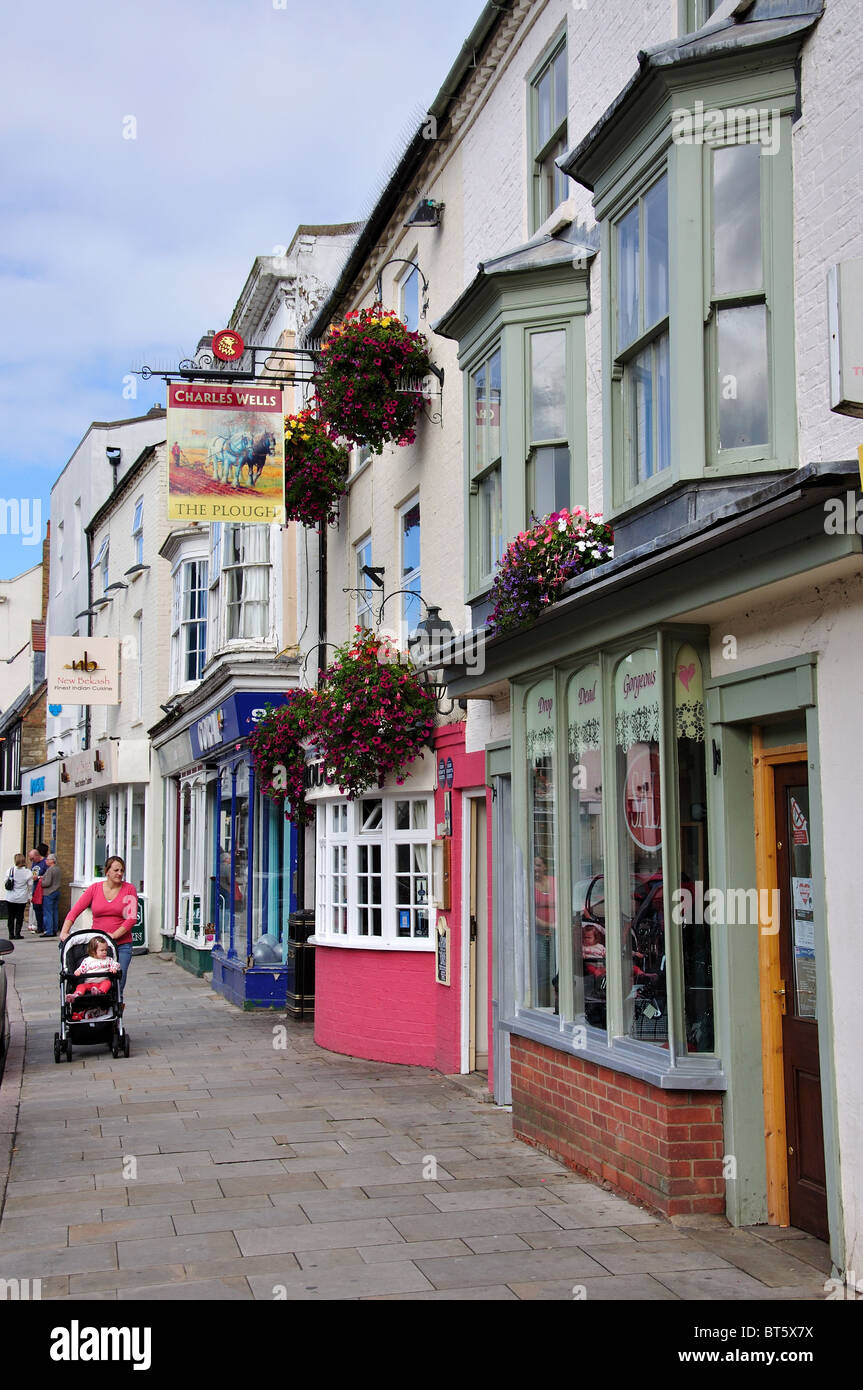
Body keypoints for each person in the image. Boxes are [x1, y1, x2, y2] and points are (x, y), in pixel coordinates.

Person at [59, 856, 138, 1000]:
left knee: (118, 979)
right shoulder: (94, 889)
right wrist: (64, 932)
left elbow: (131, 919)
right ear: (107, 871)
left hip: (121, 944)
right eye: (115, 870)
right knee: (94, 977)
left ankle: (115, 1013)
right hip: (98, 945)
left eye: (122, 870)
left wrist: (113, 935)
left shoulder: (129, 889)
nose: (119, 873)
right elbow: (75, 911)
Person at [66, 937, 121, 1004]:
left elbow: (116, 964)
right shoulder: (87, 960)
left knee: (108, 983)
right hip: (89, 984)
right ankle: (76, 995)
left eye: (106, 950)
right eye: (102, 950)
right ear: (93, 951)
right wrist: (78, 971)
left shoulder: (108, 960)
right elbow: (82, 968)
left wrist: (114, 968)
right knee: (80, 986)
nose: (105, 952)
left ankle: (100, 991)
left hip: (102, 983)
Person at [4, 854, 34, 939]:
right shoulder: (28, 872)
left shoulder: (10, 870)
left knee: (11, 916)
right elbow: (30, 885)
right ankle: (17, 934)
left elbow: (5, 881)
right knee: (19, 916)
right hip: (22, 898)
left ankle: (11, 934)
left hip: (10, 897)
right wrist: (29, 895)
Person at [28, 847, 48, 934]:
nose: (32, 860)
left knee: (42, 908)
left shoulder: (45, 863)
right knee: (36, 908)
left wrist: (39, 877)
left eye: (32, 858)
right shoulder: (34, 863)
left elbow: (48, 876)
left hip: (42, 889)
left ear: (37, 855)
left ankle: (44, 927)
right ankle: (39, 926)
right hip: (35, 889)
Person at [40, 855, 61, 937]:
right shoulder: (58, 869)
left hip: (49, 893)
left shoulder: (50, 870)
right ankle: (54, 929)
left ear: (52, 860)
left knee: (48, 912)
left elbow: (47, 883)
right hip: (57, 891)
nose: (46, 861)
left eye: (48, 860)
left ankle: (49, 931)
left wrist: (40, 882)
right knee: (55, 911)